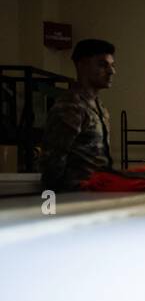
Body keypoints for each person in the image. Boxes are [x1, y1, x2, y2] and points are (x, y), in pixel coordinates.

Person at [40, 38, 115, 192]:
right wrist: (54, 209)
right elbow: (52, 165)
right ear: (82, 65)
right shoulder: (70, 107)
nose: (111, 71)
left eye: (112, 65)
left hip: (98, 193)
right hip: (76, 196)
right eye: (102, 65)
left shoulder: (100, 108)